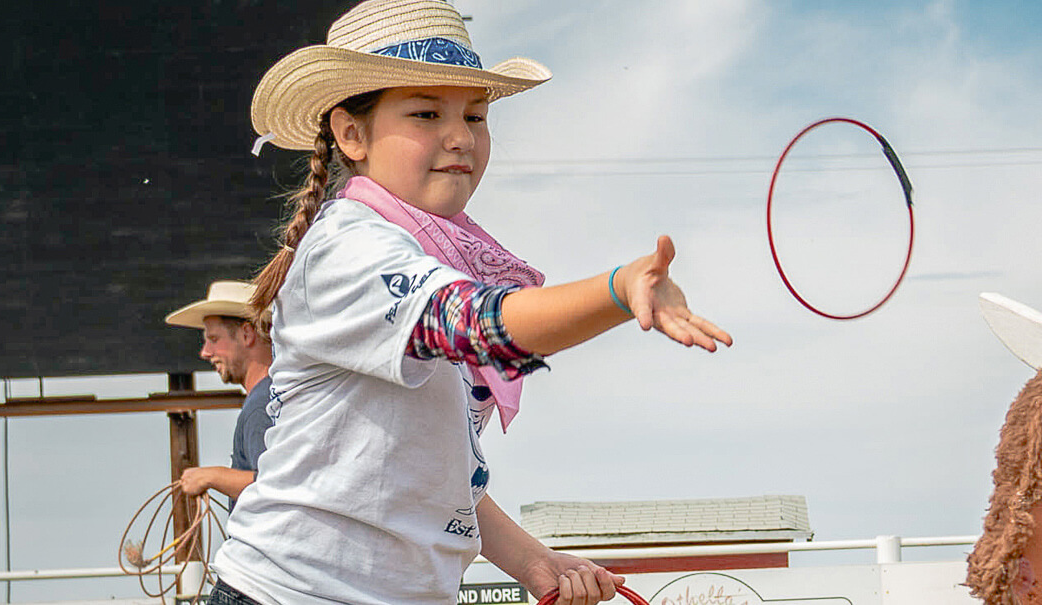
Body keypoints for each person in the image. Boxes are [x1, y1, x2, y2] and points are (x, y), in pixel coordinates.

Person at [213, 1, 732, 603]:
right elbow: (476, 324)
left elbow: (427, 475)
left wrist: (535, 562)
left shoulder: (433, 256)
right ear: (351, 134)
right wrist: (618, 288)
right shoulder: (347, 247)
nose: (460, 136)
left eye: (477, 116)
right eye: (427, 112)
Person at [166, 281, 275, 501]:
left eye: (214, 339)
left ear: (246, 334)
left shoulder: (262, 403)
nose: (205, 352)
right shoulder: (274, 395)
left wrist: (212, 476)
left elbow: (274, 486)